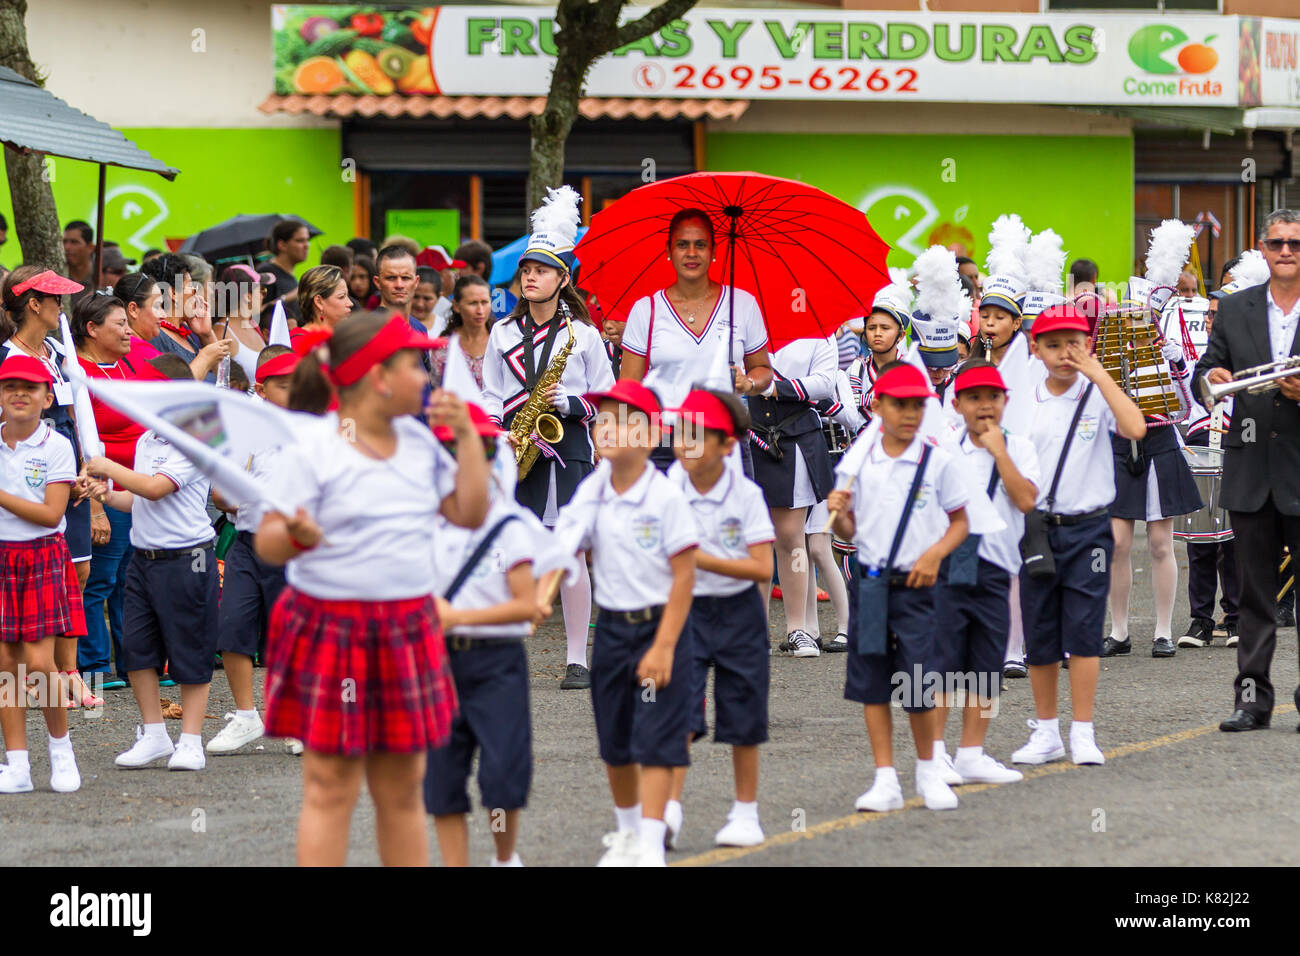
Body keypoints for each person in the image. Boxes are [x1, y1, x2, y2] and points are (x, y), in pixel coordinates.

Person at [254, 311, 489, 866]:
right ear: (379, 377)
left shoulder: (418, 441)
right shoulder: (314, 445)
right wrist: (294, 534)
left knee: (404, 787)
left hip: (407, 625)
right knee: (331, 785)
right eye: (415, 364)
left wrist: (470, 440)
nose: (427, 376)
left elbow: (469, 511)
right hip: (328, 625)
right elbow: (267, 542)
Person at [551, 379, 698, 866]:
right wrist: (534, 594)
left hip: (661, 626)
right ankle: (628, 832)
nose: (606, 429)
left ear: (651, 432)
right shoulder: (594, 487)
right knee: (614, 742)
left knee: (655, 737)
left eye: (621, 420)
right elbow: (565, 544)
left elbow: (684, 578)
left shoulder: (667, 495)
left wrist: (664, 647)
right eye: (603, 419)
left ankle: (652, 840)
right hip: (613, 631)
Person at [482, 186, 614, 691]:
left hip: (570, 448)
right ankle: (502, 655)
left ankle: (577, 659)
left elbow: (606, 396)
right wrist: (499, 434)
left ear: (563, 278)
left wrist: (570, 405)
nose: (529, 277)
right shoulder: (501, 333)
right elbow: (491, 392)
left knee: (572, 551)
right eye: (526, 270)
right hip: (516, 449)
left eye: (540, 270)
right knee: (512, 549)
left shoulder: (584, 335)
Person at [828, 362, 970, 812]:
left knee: (918, 682)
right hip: (871, 583)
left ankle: (929, 768)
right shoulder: (858, 465)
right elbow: (852, 533)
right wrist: (842, 512)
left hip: (918, 584)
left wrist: (933, 555)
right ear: (877, 406)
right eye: (898, 404)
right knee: (871, 681)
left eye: (916, 405)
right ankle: (884, 776)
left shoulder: (937, 460)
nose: (909, 413)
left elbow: (961, 523)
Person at [1014, 305, 1146, 766]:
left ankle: (1083, 731)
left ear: (1088, 345)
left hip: (1089, 528)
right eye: (1052, 345)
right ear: (1036, 348)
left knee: (1085, 631)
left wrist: (1101, 375)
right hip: (1038, 530)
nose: (1064, 354)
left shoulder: (1097, 394)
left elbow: (1136, 428)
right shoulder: (1023, 398)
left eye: (1074, 344)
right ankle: (1046, 731)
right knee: (1041, 631)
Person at [83, 354, 223, 772]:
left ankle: (192, 740)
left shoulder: (201, 434)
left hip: (188, 558)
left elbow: (156, 488)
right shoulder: (149, 439)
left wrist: (109, 466)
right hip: (145, 558)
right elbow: (136, 497)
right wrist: (101, 491)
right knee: (138, 652)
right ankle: (155, 734)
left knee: (190, 650)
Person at [1193, 209, 1300, 733]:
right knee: (1255, 597)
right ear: (1262, 248)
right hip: (1251, 467)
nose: (1286, 251)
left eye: (1295, 244)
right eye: (1277, 243)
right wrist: (1208, 375)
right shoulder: (1234, 309)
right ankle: (1252, 701)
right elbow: (1206, 371)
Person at [426, 405, 536, 868]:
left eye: (483, 451)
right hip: (438, 664)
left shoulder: (510, 525)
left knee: (501, 772)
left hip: (496, 662)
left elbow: (527, 605)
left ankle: (503, 858)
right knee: (442, 778)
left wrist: (459, 617)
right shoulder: (424, 524)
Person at [666, 389, 774, 848]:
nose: (686, 446)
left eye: (700, 437)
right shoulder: (669, 486)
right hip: (686, 610)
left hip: (738, 613)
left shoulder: (746, 494)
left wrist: (699, 558)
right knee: (678, 714)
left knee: (742, 714)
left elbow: (762, 568)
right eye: (681, 434)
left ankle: (745, 812)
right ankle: (666, 811)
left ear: (729, 445)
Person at [932, 361, 1039, 785]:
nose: (984, 406)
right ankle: (934, 751)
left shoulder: (1020, 446)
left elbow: (1027, 500)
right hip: (954, 558)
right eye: (973, 398)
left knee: (987, 661)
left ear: (1005, 401)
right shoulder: (944, 450)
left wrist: (999, 451)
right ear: (956, 404)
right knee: (943, 659)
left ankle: (971, 752)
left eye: (992, 397)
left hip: (998, 563)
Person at [617, 208, 773, 468]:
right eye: (682, 244)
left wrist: (747, 383)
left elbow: (763, 369)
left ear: (713, 251)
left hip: (725, 440)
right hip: (665, 443)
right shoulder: (647, 309)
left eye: (700, 244)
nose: (691, 253)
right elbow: (629, 389)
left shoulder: (743, 304)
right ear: (669, 251)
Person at [206, 346, 300, 757]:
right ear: (261, 389)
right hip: (246, 541)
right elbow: (222, 495)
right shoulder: (242, 433)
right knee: (233, 627)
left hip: (294, 548)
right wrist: (231, 488)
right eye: (283, 384)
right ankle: (247, 715)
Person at [0, 267, 94, 671]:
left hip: (69, 473)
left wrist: (87, 462)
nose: (61, 307)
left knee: (79, 572)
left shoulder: (57, 352)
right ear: (34, 305)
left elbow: (76, 412)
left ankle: (65, 673)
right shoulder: (5, 358)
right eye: (55, 300)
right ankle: (38, 673)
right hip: (26, 479)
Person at [0, 354, 86, 794]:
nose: (19, 394)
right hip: (0, 556)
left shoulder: (56, 445)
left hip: (40, 556)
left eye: (30, 388)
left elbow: (51, 513)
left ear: (47, 397)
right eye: (10, 386)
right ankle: (17, 765)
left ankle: (61, 749)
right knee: (5, 667)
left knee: (38, 664)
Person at [73, 294, 145, 701]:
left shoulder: (127, 365)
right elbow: (84, 442)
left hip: (138, 487)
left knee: (130, 581)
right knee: (100, 579)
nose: (128, 331)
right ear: (92, 329)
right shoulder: (79, 373)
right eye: (119, 324)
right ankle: (96, 666)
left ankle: (134, 661)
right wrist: (96, 504)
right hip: (107, 490)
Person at [751, 336, 837, 657]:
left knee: (790, 536)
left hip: (796, 437)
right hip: (748, 437)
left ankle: (797, 628)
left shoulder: (819, 332)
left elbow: (826, 383)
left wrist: (774, 385)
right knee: (755, 539)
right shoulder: (743, 323)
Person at [141, 254, 233, 381]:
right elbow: (174, 389)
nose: (196, 292)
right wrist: (205, 358)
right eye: (191, 286)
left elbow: (227, 381)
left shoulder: (187, 332)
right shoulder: (155, 335)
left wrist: (207, 335)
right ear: (173, 293)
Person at [846, 280, 911, 425]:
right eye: (871, 328)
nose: (877, 333)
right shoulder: (856, 369)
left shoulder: (911, 369)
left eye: (885, 328)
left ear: (901, 335)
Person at [430, 275, 492, 390]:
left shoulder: (500, 341)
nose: (480, 311)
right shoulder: (444, 346)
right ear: (456, 306)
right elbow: (436, 388)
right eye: (473, 303)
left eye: (484, 302)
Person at [213, 264, 270, 381]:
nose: (263, 296)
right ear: (248, 296)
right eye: (262, 291)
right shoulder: (222, 334)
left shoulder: (253, 325)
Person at [259, 220, 311, 321]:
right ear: (282, 245)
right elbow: (255, 312)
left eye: (307, 240)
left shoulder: (291, 276)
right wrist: (290, 296)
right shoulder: (266, 273)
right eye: (300, 241)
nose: (306, 245)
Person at [114, 272, 163, 365]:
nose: (163, 315)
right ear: (133, 309)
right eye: (156, 306)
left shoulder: (115, 345)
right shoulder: (140, 351)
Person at [294, 264, 353, 334]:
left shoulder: (338, 338)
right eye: (341, 296)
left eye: (347, 296)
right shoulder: (299, 342)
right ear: (318, 302)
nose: (350, 303)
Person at [373, 245, 419, 326]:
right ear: (377, 282)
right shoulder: (368, 328)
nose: (399, 285)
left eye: (405, 278)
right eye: (391, 278)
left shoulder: (420, 328)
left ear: (416, 282)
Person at [63, 221, 96, 302]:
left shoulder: (101, 277)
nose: (67, 247)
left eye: (74, 242)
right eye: (64, 242)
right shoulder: (57, 276)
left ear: (90, 247)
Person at [410, 266, 440, 333]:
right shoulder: (391, 324)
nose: (420, 304)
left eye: (427, 299)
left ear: (439, 297)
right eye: (415, 297)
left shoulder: (446, 328)